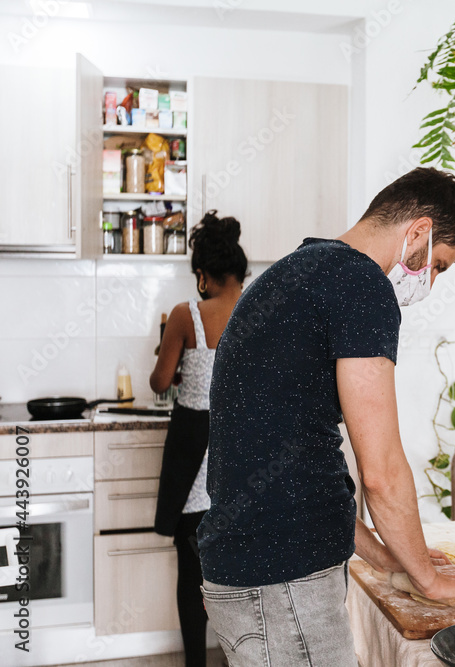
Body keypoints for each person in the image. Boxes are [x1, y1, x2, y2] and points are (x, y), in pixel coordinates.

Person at [196, 167, 455, 666]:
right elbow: (382, 472)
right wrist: (429, 578)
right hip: (282, 583)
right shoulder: (361, 284)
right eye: (437, 265)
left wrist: (386, 556)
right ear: (418, 231)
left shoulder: (301, 270)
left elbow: (297, 465)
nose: (431, 283)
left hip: (258, 575)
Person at [150, 211, 247, 667]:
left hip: (195, 469)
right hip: (243, 466)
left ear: (203, 275)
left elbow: (159, 381)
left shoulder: (184, 315)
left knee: (193, 576)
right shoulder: (260, 311)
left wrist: (169, 362)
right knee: (237, 579)